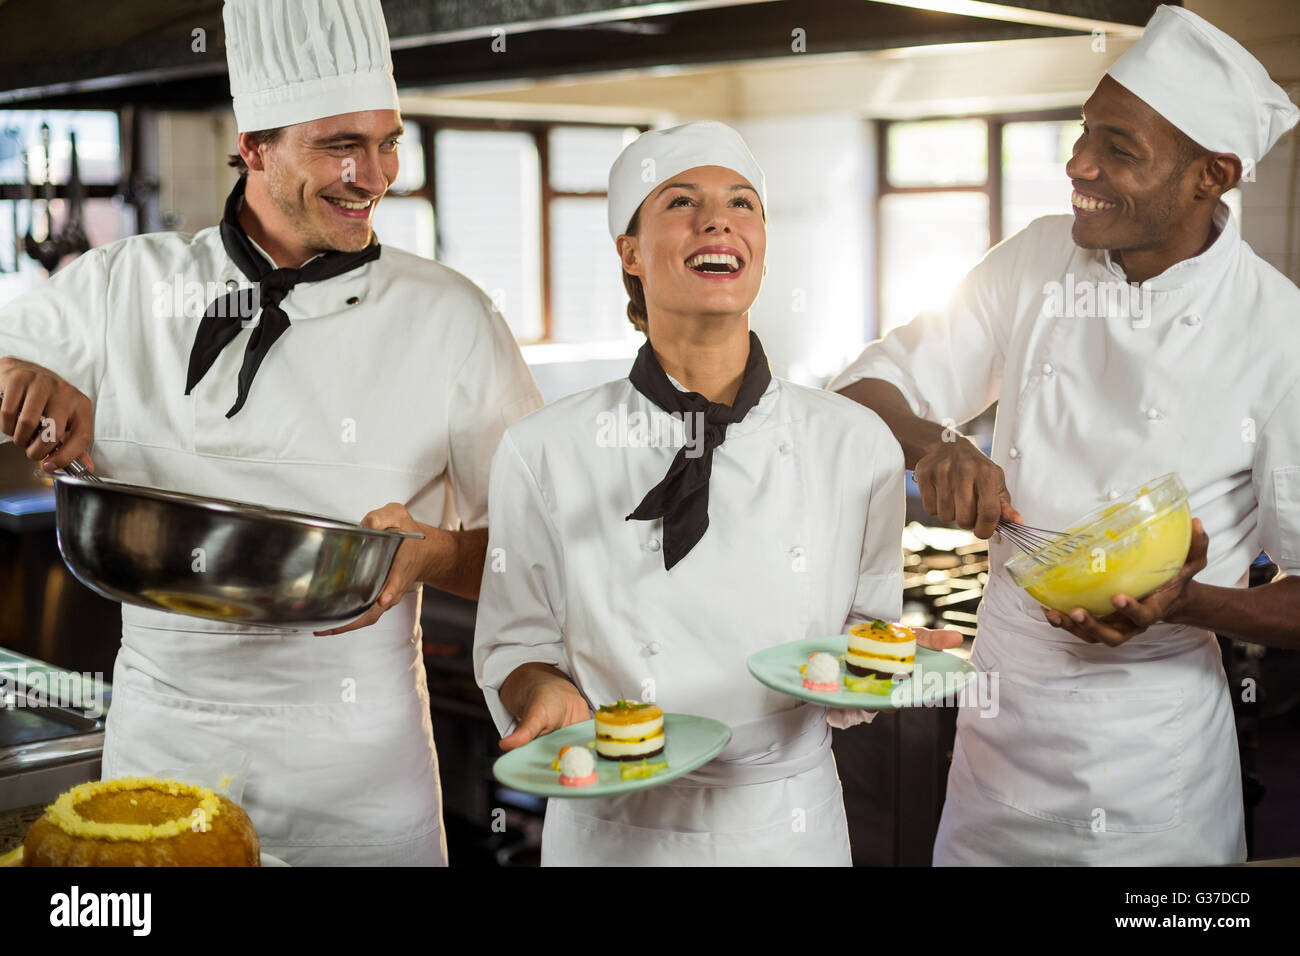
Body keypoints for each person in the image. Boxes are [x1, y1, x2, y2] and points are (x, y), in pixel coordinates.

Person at [0, 0, 541, 865]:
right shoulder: (123, 285)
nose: (376, 174)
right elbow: (10, 362)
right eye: (340, 146)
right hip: (162, 760)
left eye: (388, 141)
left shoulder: (453, 318)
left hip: (361, 781)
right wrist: (23, 380)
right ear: (254, 147)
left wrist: (436, 555)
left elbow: (538, 547)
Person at [831, 4, 1300, 865]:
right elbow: (866, 385)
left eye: (1119, 149)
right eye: (1085, 132)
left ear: (1214, 175)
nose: (1078, 165)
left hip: (1154, 772)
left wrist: (1187, 603)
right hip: (1000, 738)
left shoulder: (1280, 333)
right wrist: (935, 441)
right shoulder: (1038, 258)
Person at [473, 121, 960, 865]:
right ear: (629, 252)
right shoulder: (544, 448)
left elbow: (862, 629)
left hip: (788, 825)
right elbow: (517, 640)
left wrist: (885, 665)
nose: (718, 221)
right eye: (680, 202)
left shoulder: (855, 440)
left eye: (742, 203)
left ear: (762, 244)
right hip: (614, 825)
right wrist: (538, 687)